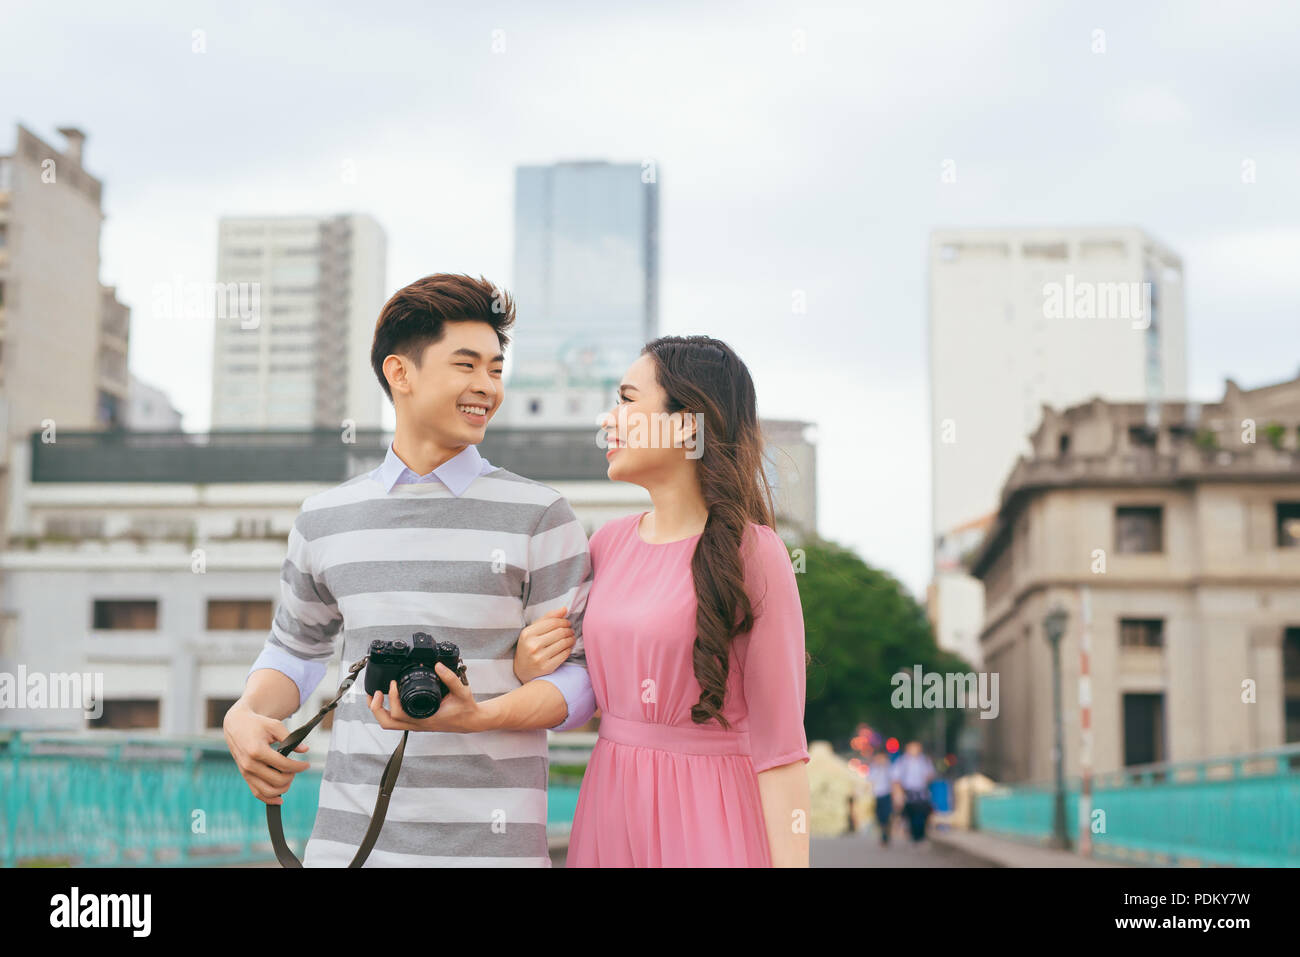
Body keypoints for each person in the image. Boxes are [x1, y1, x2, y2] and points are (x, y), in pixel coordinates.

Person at [223, 273, 596, 867]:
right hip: (348, 852)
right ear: (400, 373)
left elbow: (580, 685)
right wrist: (245, 714)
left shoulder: (541, 515)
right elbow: (294, 650)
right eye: (466, 365)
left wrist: (479, 717)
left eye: (496, 369)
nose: (487, 388)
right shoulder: (324, 518)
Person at [515, 336, 812, 866]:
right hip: (609, 808)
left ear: (685, 423)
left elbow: (782, 751)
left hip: (712, 819)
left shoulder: (756, 553)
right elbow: (579, 682)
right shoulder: (607, 543)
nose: (609, 420)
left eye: (628, 400)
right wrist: (528, 664)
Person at [893, 740, 936, 843]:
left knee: (922, 814)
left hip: (921, 792)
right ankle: (915, 836)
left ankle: (920, 836)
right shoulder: (902, 761)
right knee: (911, 815)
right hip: (909, 792)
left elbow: (931, 775)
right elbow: (896, 778)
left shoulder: (925, 760)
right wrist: (898, 795)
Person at [868, 751, 895, 845]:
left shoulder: (890, 768)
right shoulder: (873, 769)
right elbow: (870, 781)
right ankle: (883, 833)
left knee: (887, 816)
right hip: (876, 795)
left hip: (887, 794)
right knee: (879, 817)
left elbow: (894, 780)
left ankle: (886, 835)